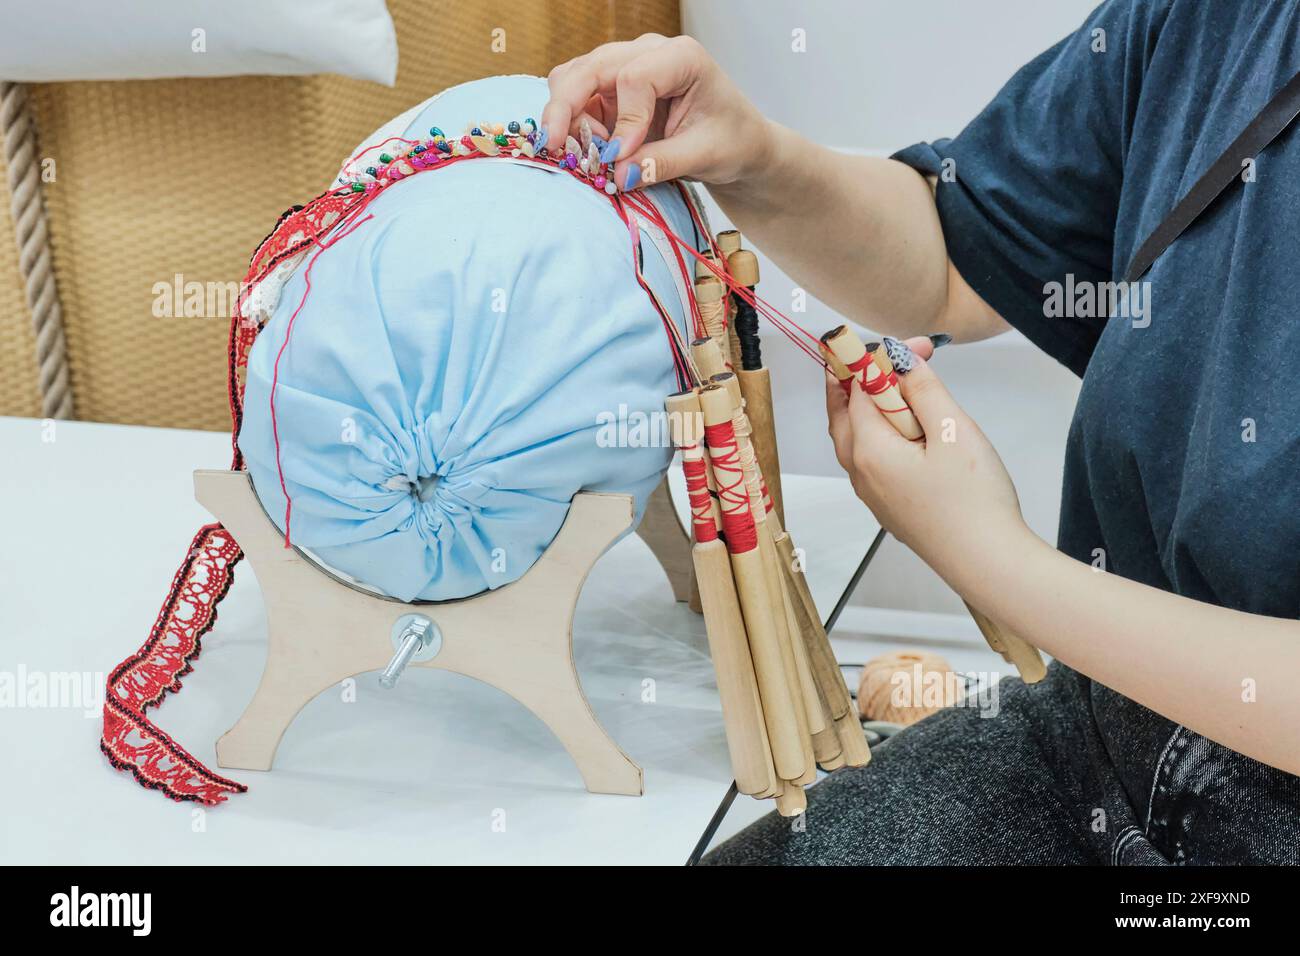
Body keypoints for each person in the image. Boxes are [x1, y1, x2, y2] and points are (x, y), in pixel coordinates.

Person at [542, 0, 1300, 865]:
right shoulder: (1220, 19)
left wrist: (989, 558)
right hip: (1107, 724)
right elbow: (954, 254)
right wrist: (754, 157)